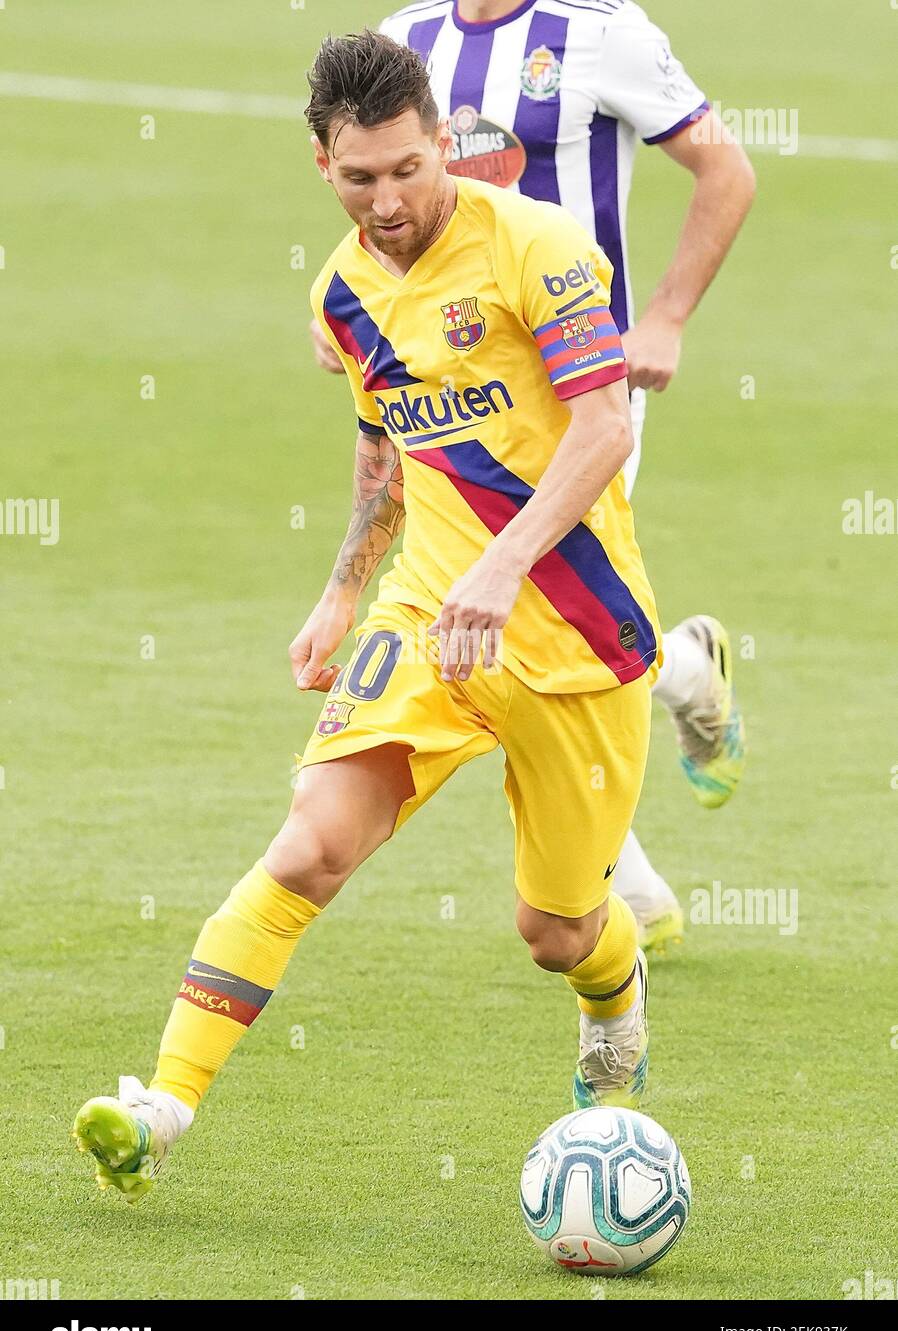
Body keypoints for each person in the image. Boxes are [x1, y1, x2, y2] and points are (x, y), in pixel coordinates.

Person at [73, 30, 661, 1202]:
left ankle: (614, 997)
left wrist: (498, 570)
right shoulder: (340, 294)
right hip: (427, 620)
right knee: (312, 842)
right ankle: (163, 1106)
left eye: (408, 169)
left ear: (446, 143)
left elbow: (601, 424)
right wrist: (346, 588)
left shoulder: (538, 246)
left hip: (576, 640)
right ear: (320, 165)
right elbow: (384, 443)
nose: (388, 200)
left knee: (553, 927)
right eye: (360, 178)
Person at [311, 0, 756, 953]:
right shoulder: (401, 37)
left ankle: (611, 889)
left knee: (549, 619)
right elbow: (374, 197)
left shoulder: (607, 33)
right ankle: (683, 686)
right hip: (454, 392)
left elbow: (727, 164)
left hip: (577, 389)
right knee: (521, 621)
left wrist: (667, 316)